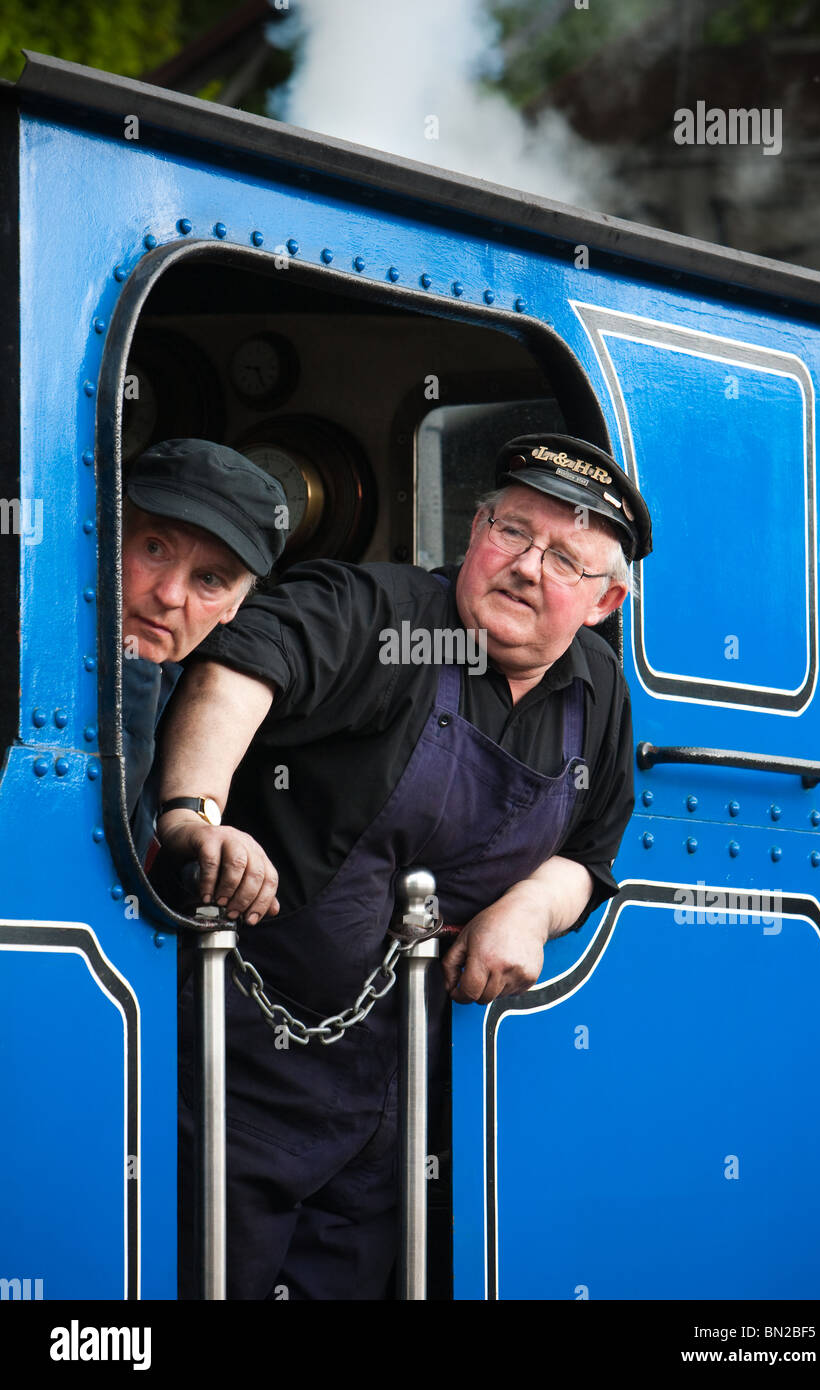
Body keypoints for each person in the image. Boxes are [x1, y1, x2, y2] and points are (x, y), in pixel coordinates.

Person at [155, 432, 652, 1299]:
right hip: (242, 1077)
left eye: (566, 558)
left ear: (606, 602)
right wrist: (196, 814)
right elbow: (235, 672)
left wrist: (533, 906)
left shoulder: (598, 691)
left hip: (406, 1101)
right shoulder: (377, 616)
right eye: (512, 531)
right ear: (473, 534)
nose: (528, 567)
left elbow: (592, 854)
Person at [120, 437, 287, 863]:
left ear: (234, 607)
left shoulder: (170, 692)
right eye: (155, 548)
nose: (171, 595)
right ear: (110, 540)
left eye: (210, 579)